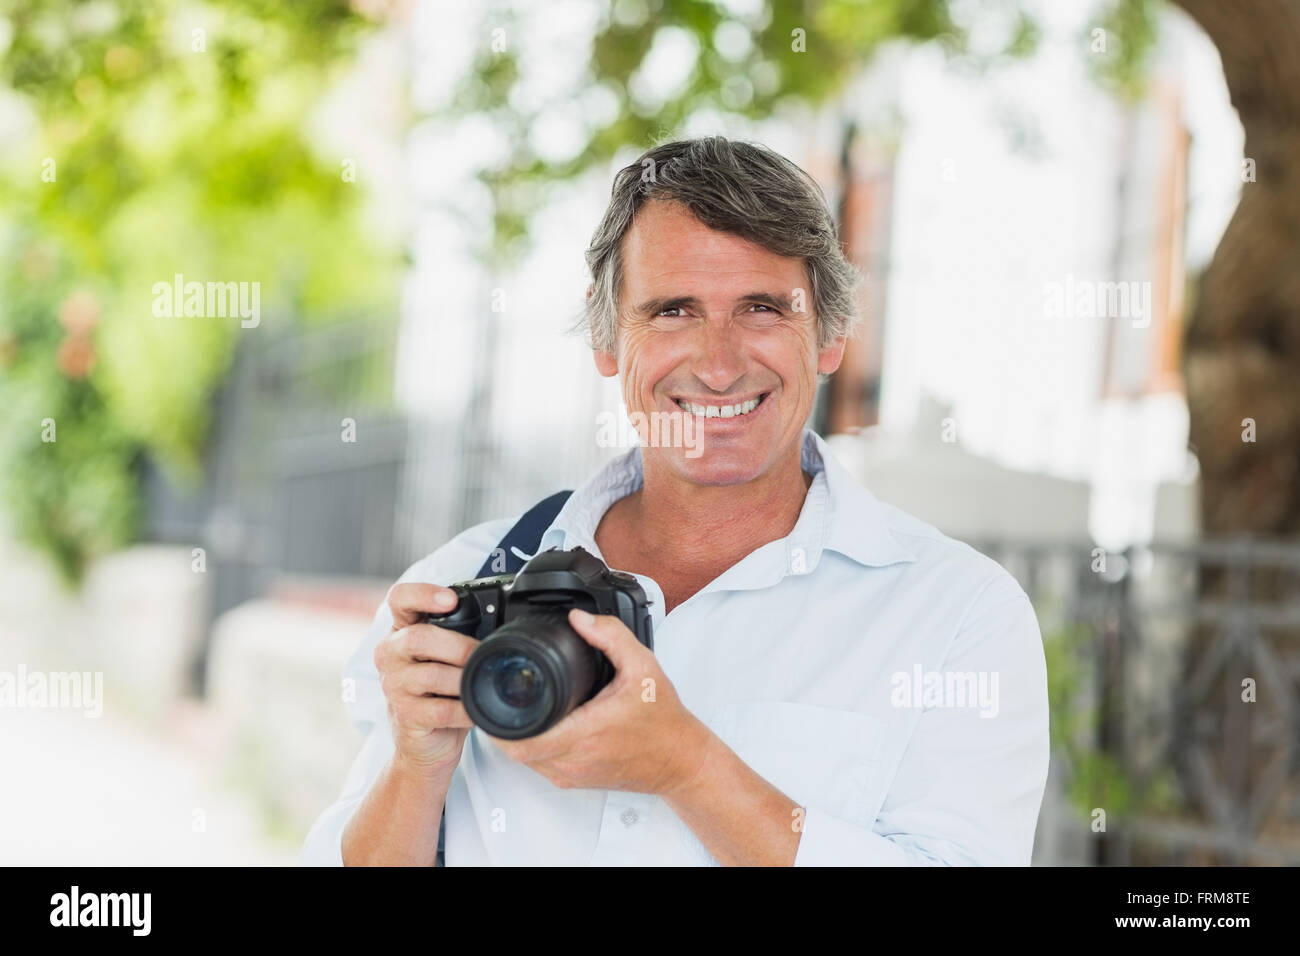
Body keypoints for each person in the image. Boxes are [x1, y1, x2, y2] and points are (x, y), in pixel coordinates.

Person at [301, 136, 1049, 866]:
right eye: (672, 311)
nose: (719, 366)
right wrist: (417, 765)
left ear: (830, 334)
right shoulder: (469, 576)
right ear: (606, 337)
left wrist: (687, 768)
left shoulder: (958, 617)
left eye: (761, 308)